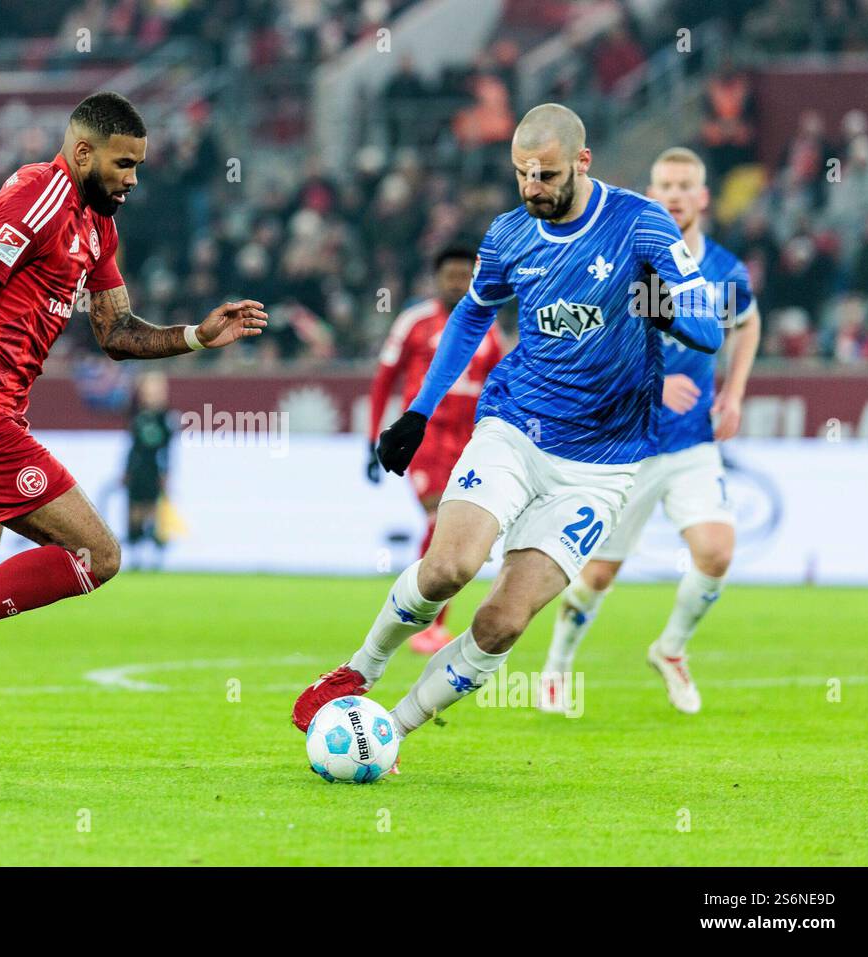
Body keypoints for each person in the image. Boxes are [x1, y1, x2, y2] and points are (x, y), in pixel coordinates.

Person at [0, 92, 266, 769]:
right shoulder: (41, 193)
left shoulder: (97, 228)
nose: (133, 179)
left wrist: (195, 336)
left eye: (140, 166)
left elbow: (115, 332)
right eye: (124, 164)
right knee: (98, 554)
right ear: (84, 152)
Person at [291, 104, 722, 747]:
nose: (532, 188)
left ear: (582, 162)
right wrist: (418, 411)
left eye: (545, 175)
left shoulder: (640, 223)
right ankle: (358, 671)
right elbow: (471, 317)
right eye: (521, 174)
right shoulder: (509, 234)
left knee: (503, 623)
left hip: (602, 463)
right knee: (449, 569)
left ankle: (391, 733)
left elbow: (709, 327)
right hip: (516, 425)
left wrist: (663, 310)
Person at [540, 147, 760, 715]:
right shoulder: (625, 263)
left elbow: (747, 321)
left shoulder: (723, 271)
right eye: (665, 185)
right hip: (626, 443)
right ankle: (557, 667)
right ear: (651, 194)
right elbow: (584, 339)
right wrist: (651, 384)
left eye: (686, 185)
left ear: (703, 197)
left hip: (690, 444)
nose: (676, 194)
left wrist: (733, 394)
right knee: (597, 574)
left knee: (715, 552)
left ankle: (671, 649)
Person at [366, 245, 503, 652]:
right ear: (437, 279)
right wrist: (371, 439)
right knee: (439, 518)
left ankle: (426, 619)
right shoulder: (415, 322)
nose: (457, 283)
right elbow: (383, 381)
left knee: (459, 531)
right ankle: (426, 621)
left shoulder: (489, 330)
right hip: (425, 438)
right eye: (450, 276)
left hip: (467, 441)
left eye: (465, 276)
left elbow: (498, 386)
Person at [123, 371, 175, 571]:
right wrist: (127, 470)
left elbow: (167, 450)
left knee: (153, 513)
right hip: (138, 470)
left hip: (154, 471)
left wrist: (166, 473)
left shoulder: (166, 417)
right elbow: (132, 446)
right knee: (135, 513)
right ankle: (136, 556)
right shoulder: (135, 415)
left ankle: (155, 557)